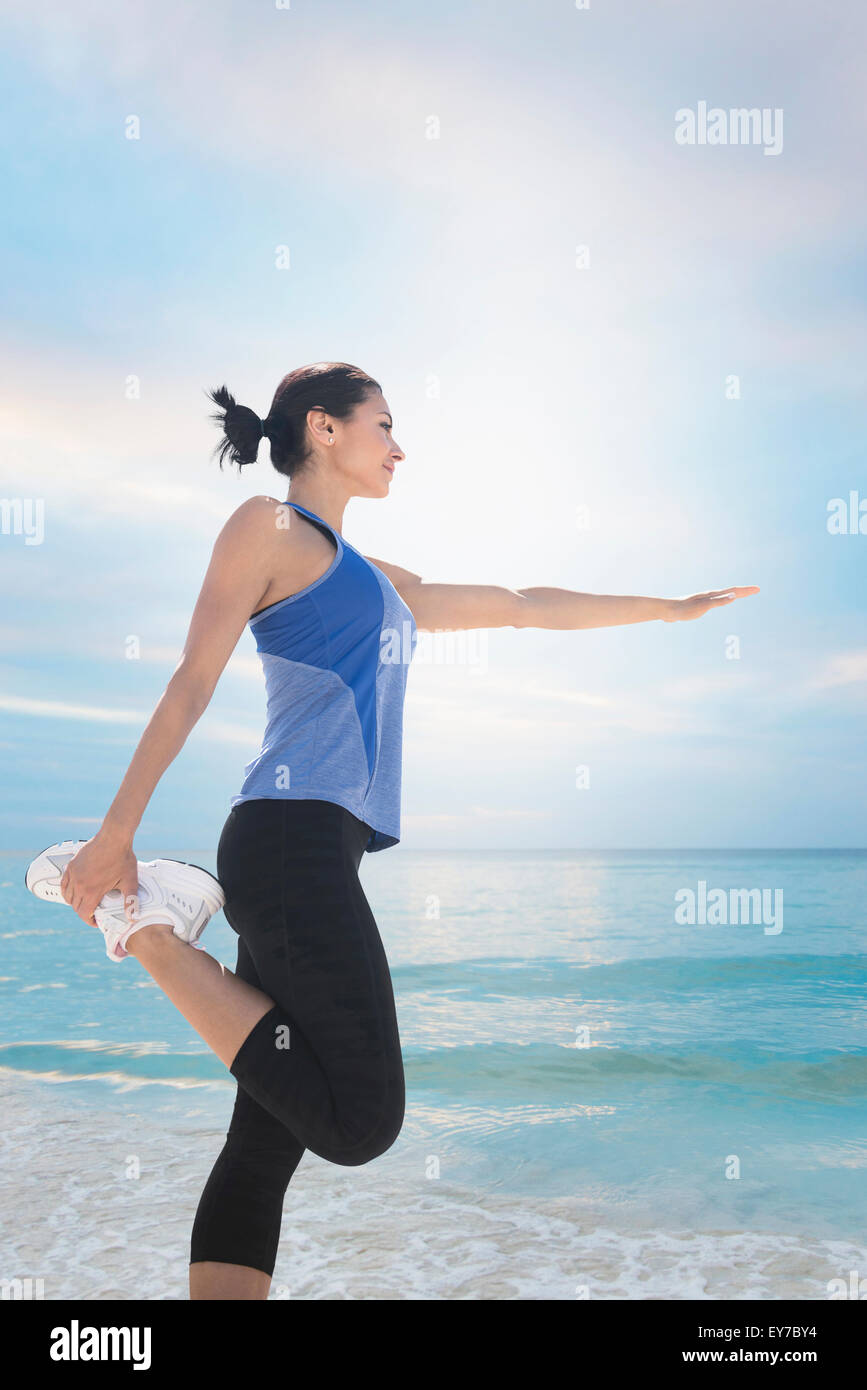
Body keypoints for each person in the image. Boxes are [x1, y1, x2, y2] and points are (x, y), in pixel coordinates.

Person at [54, 360, 759, 1299]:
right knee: (359, 1123)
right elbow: (192, 678)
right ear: (324, 428)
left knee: (262, 1144)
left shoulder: (373, 580)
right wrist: (116, 835)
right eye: (383, 423)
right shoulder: (267, 527)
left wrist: (668, 609)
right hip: (286, 839)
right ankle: (143, 929)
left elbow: (518, 607)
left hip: (309, 847)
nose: (399, 444)